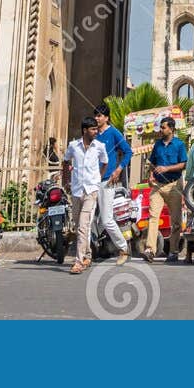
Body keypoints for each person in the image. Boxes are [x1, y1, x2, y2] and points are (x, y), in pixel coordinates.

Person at [62, 117, 109, 272]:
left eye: (97, 129)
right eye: (93, 129)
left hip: (91, 191)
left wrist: (98, 179)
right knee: (77, 224)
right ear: (85, 130)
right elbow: (66, 161)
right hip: (76, 190)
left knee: (83, 225)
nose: (96, 131)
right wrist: (66, 181)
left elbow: (105, 162)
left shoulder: (99, 146)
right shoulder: (73, 146)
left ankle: (79, 262)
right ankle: (87, 254)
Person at [92, 105, 132, 261]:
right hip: (91, 181)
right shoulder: (93, 134)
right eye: (95, 116)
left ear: (106, 118)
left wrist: (119, 169)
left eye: (100, 116)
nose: (97, 118)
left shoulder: (113, 133)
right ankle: (90, 251)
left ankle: (123, 248)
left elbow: (128, 151)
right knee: (88, 218)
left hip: (106, 181)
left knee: (107, 219)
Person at [145, 115, 186, 263]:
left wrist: (167, 168)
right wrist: (150, 175)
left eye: (163, 127)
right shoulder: (157, 145)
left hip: (173, 185)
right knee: (153, 217)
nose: (161, 130)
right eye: (161, 127)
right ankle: (150, 249)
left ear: (171, 129)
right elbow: (152, 163)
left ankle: (173, 251)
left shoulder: (179, 145)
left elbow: (183, 164)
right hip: (157, 186)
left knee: (175, 221)